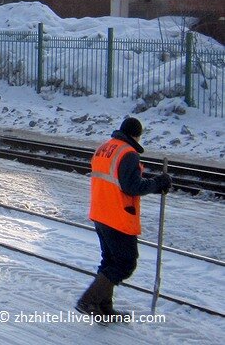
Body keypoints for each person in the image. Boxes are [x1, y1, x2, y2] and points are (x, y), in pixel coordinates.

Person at [75, 117, 172, 322]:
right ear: (136, 135)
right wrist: (158, 183)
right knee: (125, 263)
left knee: (110, 261)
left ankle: (104, 308)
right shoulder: (128, 154)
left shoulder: (105, 148)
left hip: (100, 213)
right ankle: (88, 300)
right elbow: (132, 186)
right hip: (117, 216)